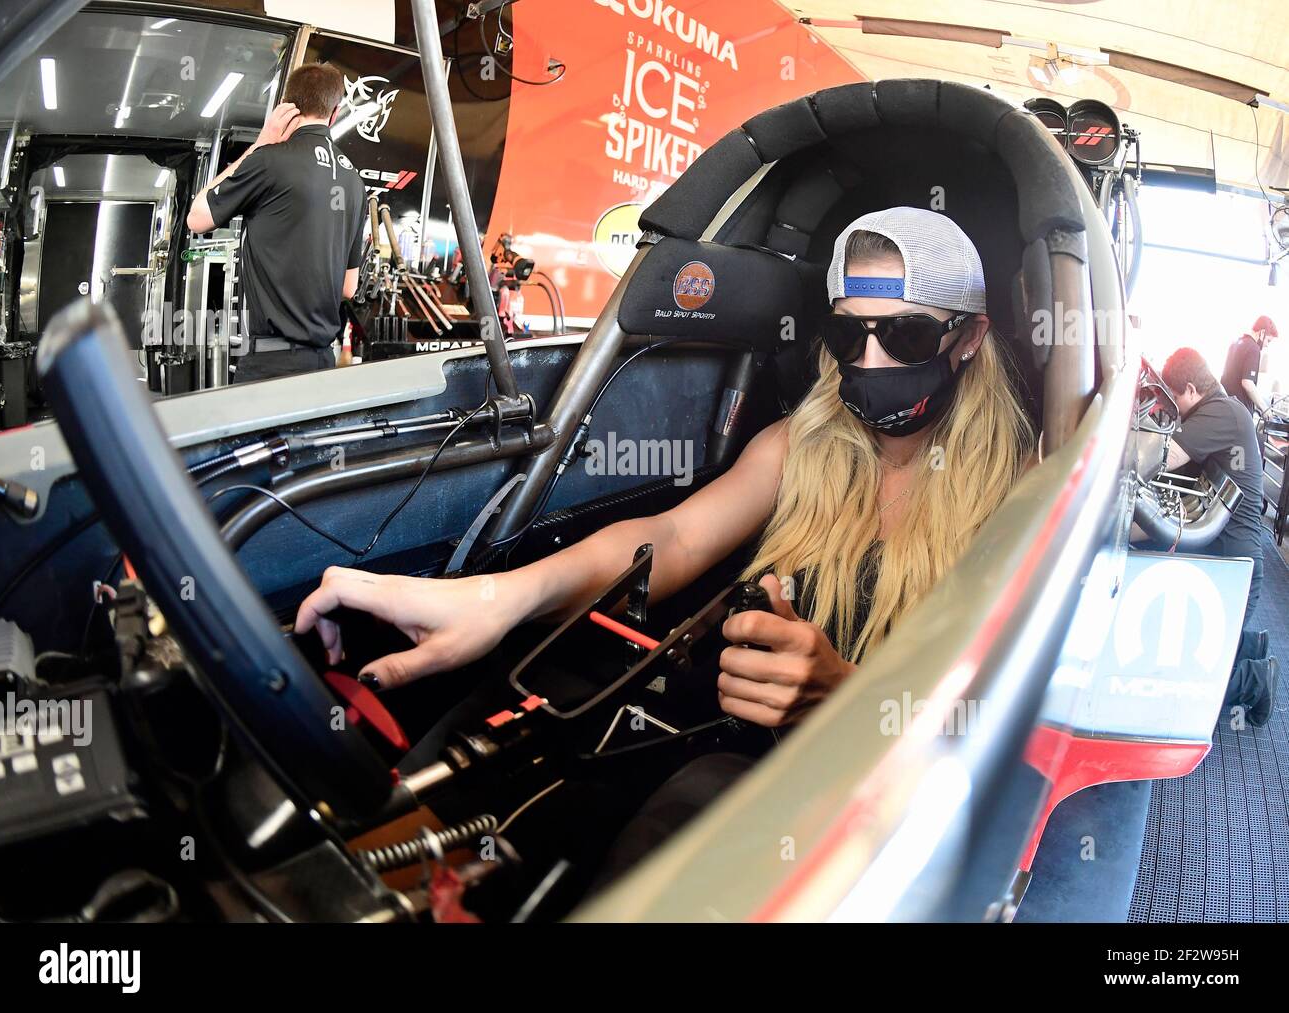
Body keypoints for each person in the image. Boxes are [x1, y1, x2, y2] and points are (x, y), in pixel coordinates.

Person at [294, 208, 1033, 871]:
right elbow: (671, 538)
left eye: (903, 334)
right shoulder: (802, 443)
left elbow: (999, 722)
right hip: (733, 749)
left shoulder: (1017, 487)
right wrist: (495, 598)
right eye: (849, 332)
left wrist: (845, 697)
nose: (868, 362)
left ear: (967, 336)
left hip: (878, 806)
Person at [186, 63, 367, 383]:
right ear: (335, 111)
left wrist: (261, 143)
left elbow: (197, 218)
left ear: (288, 106)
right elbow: (347, 288)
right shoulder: (354, 181)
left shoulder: (269, 159)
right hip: (323, 365)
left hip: (268, 364)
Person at [1159, 347, 1277, 725]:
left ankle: (1255, 681)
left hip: (1237, 572)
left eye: (1173, 397)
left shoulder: (1221, 413)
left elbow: (1164, 458)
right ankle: (1249, 645)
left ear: (1190, 389)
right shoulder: (1220, 410)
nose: (1174, 407)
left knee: (1187, 673)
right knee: (1192, 638)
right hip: (1229, 563)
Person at [1221, 315, 1277, 416]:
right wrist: (1264, 408)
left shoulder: (1236, 343)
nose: (1267, 345)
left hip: (1226, 406)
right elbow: (1247, 383)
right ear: (1262, 332)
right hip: (1239, 414)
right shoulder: (1253, 348)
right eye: (1268, 340)